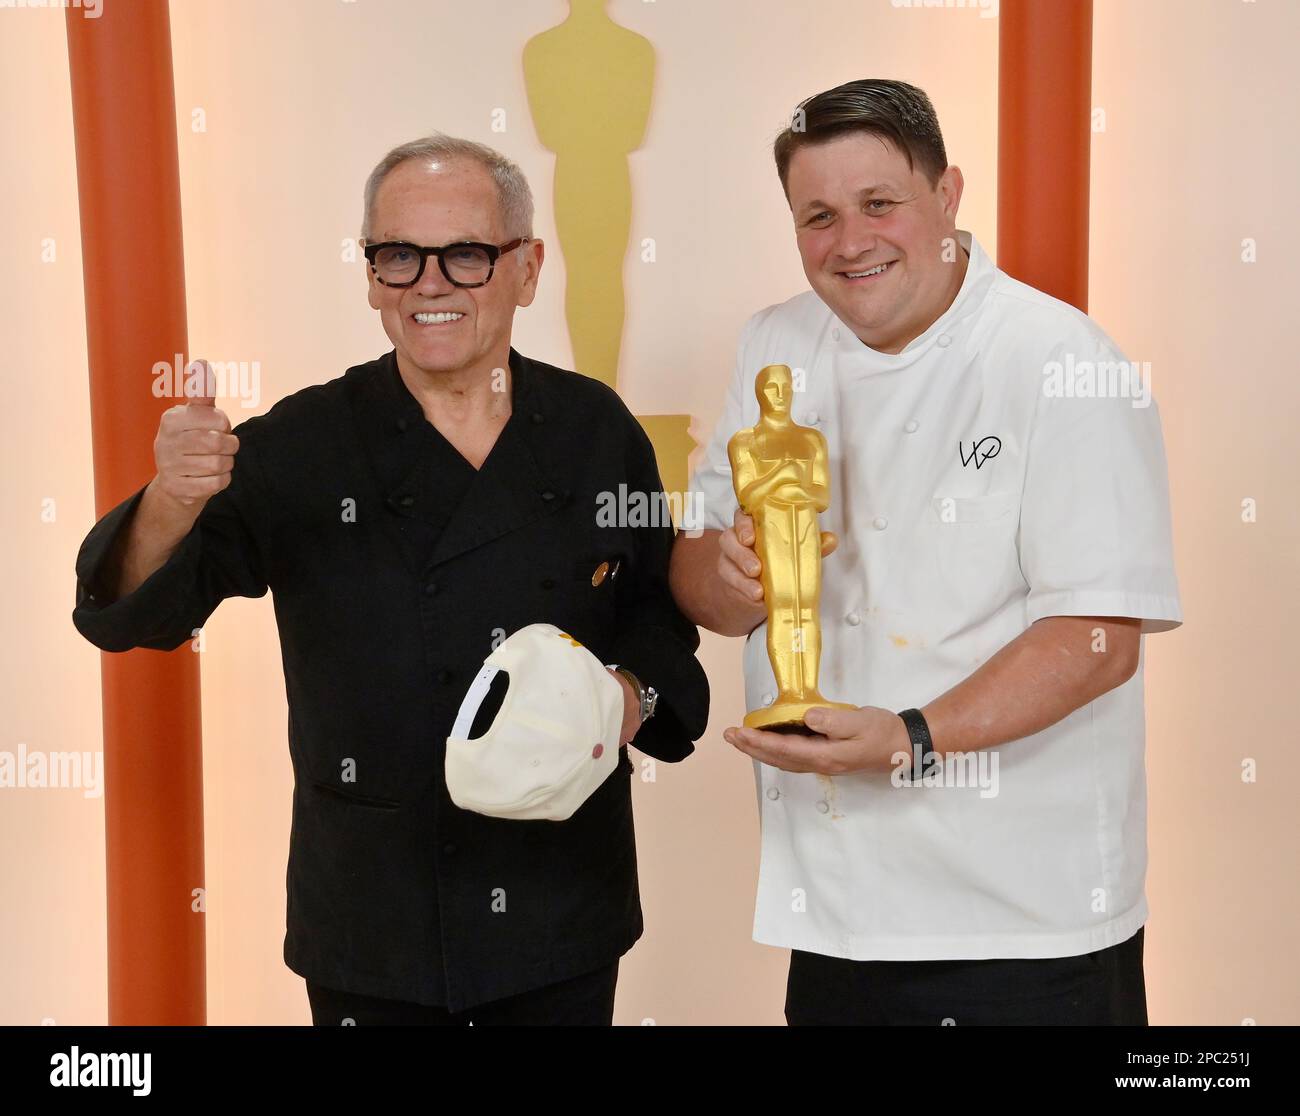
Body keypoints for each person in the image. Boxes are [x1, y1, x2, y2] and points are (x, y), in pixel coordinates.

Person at [72, 134, 709, 1026]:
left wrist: (627, 698)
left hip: (560, 907)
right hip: (372, 923)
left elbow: (654, 611)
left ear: (527, 268)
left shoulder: (594, 429)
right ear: (371, 275)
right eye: (399, 256)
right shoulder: (300, 443)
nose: (430, 284)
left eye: (468, 255)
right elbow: (132, 613)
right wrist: (173, 501)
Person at [670, 79, 1182, 1026]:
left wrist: (909, 737)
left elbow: (1100, 635)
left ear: (947, 195)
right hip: (834, 914)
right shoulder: (775, 341)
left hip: (1026, 922)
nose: (849, 241)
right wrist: (730, 574)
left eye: (879, 204)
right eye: (817, 216)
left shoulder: (1059, 361)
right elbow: (699, 561)